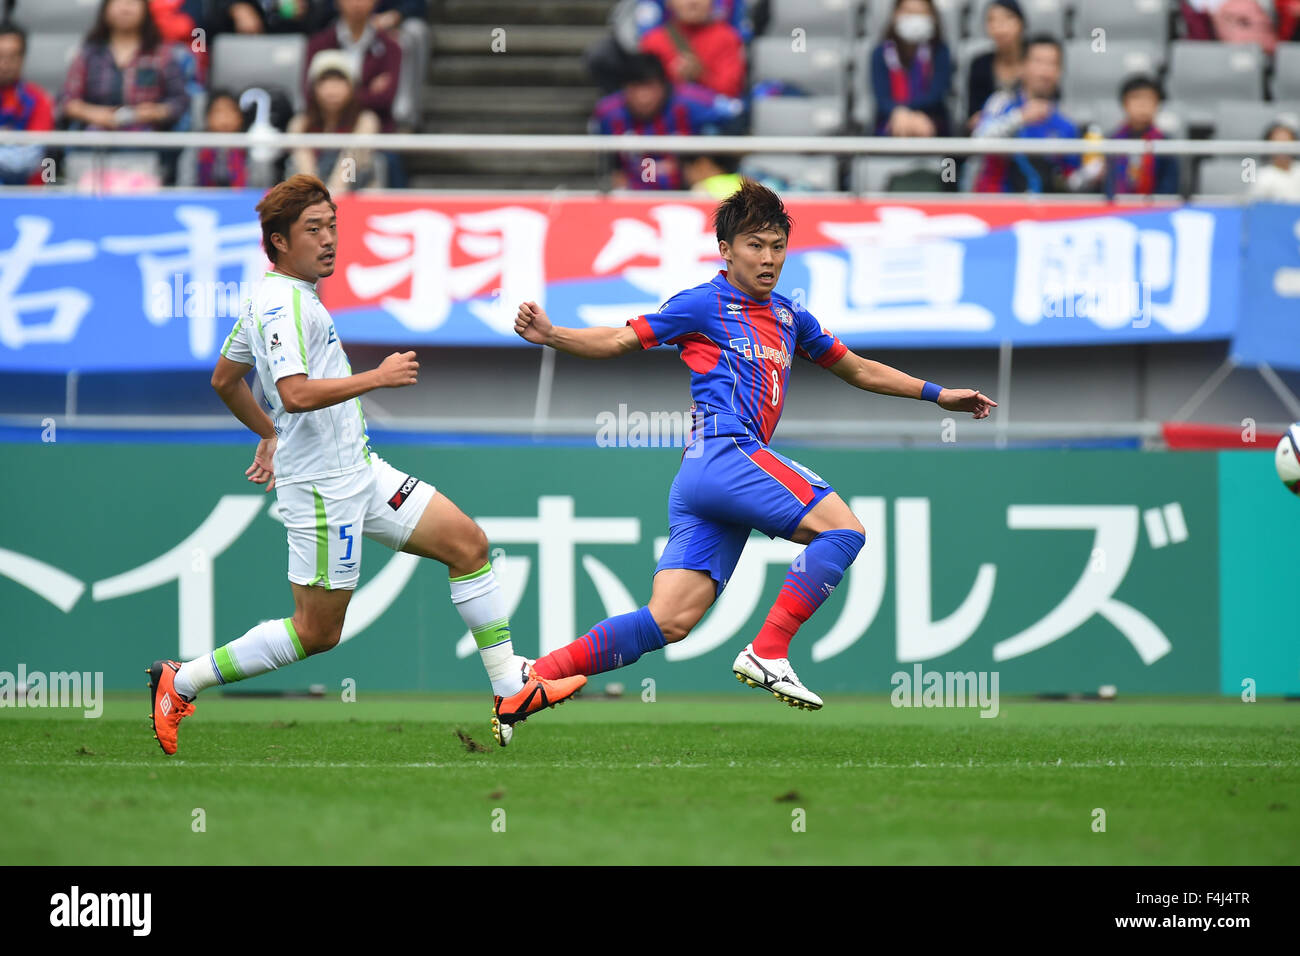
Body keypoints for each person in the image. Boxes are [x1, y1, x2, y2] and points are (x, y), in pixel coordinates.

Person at [512, 182, 995, 709]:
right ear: (726, 250)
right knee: (844, 531)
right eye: (754, 245)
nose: (768, 259)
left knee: (669, 621)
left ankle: (537, 675)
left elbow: (857, 368)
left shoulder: (790, 317)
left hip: (708, 477)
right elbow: (621, 339)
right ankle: (769, 650)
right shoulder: (702, 303)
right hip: (723, 453)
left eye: (778, 246)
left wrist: (938, 394)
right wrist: (553, 334)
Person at [148, 175, 586, 757]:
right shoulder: (280, 306)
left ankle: (510, 687)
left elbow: (226, 379)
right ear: (278, 242)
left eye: (332, 226)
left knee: (467, 544)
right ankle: (182, 682)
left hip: (359, 469)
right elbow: (296, 391)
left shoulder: (278, 295)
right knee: (316, 632)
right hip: (324, 488)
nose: (329, 239)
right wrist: (374, 379)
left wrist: (267, 431)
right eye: (313, 230)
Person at [590, 53, 742, 190]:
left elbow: (737, 113)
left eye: (650, 87)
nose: (643, 98)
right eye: (635, 88)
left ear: (663, 85)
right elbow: (605, 159)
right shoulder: (608, 113)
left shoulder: (691, 100)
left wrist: (711, 161)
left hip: (689, 192)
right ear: (624, 89)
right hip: (629, 197)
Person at [963, 34, 1077, 193]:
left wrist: (1093, 174)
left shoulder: (1066, 123)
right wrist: (1020, 118)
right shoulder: (1001, 103)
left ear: (1060, 71)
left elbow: (1070, 180)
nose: (1045, 72)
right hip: (997, 205)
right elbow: (978, 140)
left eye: (1053, 64)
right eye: (1038, 62)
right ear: (1022, 67)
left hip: (1044, 211)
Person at [59, 0, 189, 133]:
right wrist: (94, 113)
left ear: (145, 10)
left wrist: (156, 112)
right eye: (118, 2)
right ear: (106, 9)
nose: (125, 8)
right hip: (94, 134)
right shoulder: (87, 55)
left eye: (132, 3)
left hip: (147, 137)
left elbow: (179, 101)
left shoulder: (162, 55)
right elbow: (68, 100)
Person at [287, 50, 382, 193]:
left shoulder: (366, 121)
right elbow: (304, 169)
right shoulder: (300, 123)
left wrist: (334, 195)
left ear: (352, 87)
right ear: (314, 88)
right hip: (310, 199)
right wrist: (317, 197)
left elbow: (351, 161)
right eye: (325, 81)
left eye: (339, 80)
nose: (332, 89)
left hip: (354, 196)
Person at [304, 0, 401, 132]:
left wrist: (335, 94)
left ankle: (350, 154)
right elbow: (308, 93)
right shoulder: (317, 44)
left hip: (376, 133)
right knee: (298, 124)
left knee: (368, 121)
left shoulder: (390, 47)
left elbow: (385, 98)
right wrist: (366, 92)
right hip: (323, 126)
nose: (357, 3)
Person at [870, 0, 952, 137]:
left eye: (921, 13)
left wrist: (907, 114)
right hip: (891, 118)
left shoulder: (940, 51)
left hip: (931, 118)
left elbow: (936, 95)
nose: (914, 18)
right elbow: (882, 98)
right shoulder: (880, 53)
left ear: (932, 17)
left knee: (923, 127)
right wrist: (899, 114)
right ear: (895, 15)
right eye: (908, 12)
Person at [639, 0, 745, 99]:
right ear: (668, 2)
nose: (693, 2)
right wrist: (672, 79)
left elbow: (731, 93)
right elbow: (643, 96)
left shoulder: (727, 37)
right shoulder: (652, 41)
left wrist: (700, 76)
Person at [176, 89, 275, 187]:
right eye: (219, 112)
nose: (225, 118)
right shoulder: (196, 148)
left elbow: (262, 185)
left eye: (231, 111)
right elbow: (185, 185)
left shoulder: (249, 146)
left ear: (240, 118)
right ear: (208, 117)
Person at [1102, 75, 1179, 198]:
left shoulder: (1166, 145)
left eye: (1149, 99)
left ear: (1157, 105)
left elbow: (1169, 188)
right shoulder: (1110, 143)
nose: (1142, 105)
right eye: (1136, 98)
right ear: (1124, 104)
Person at [0, 22, 53, 186]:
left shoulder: (38, 99)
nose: (5, 64)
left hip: (29, 194)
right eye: (0, 55)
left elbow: (29, 159)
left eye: (13, 56)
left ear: (23, 58)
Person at [965, 0, 1025, 131]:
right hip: (991, 135)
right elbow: (973, 116)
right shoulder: (979, 64)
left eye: (1007, 18)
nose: (999, 27)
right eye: (992, 20)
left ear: (1021, 22)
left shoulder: (1033, 60)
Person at [1250, 122, 1300, 201]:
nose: (1282, 148)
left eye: (1286, 141)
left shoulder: (1298, 170)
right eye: (1278, 142)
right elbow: (1257, 207)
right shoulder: (1263, 176)